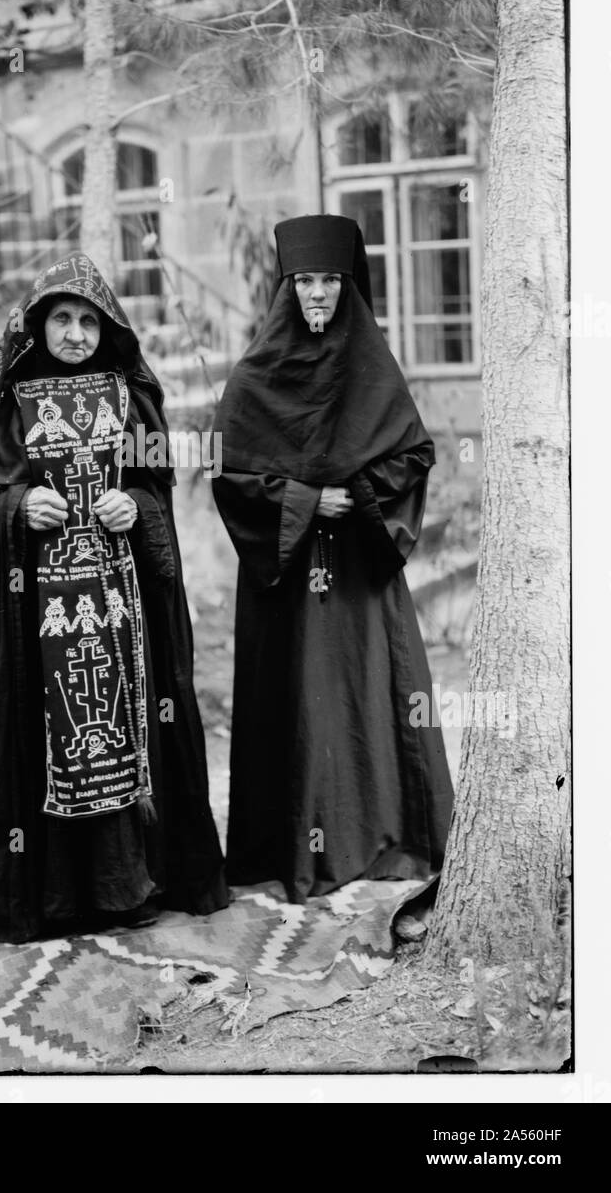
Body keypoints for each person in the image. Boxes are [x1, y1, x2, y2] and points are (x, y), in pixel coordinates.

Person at [0, 253, 228, 943]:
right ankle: (53, 896)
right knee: (43, 730)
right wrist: (11, 506)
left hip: (120, 608)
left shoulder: (132, 397)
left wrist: (136, 503)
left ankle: (126, 886)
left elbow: (157, 488)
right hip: (32, 607)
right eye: (61, 319)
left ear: (105, 327)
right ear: (38, 327)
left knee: (122, 721)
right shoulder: (7, 400)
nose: (73, 333)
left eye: (86, 320)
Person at [211, 214, 454, 905]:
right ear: (286, 286)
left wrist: (361, 492)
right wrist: (302, 500)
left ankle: (382, 836)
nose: (317, 293)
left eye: (329, 280)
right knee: (295, 699)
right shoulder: (254, 377)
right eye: (305, 280)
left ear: (350, 286)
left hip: (356, 574)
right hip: (282, 580)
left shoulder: (373, 368)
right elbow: (228, 475)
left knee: (361, 696)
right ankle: (289, 845)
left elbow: (412, 454)